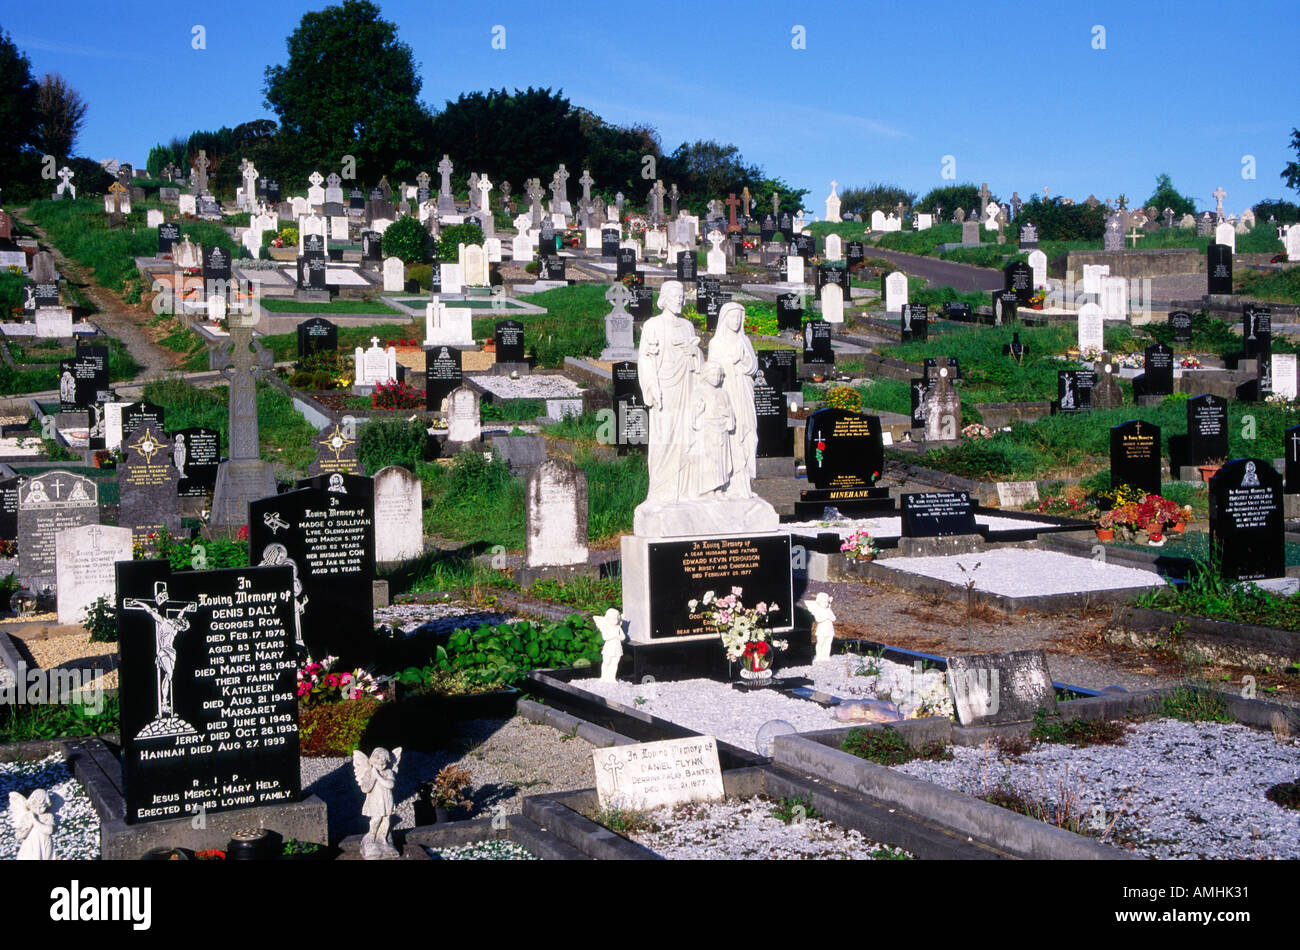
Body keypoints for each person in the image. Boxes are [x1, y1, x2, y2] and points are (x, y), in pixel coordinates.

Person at [637, 281, 701, 502]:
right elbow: (645, 359)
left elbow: (697, 359)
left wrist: (695, 353)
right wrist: (652, 386)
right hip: (664, 389)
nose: (680, 299)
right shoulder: (653, 325)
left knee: (687, 435)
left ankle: (685, 490)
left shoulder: (687, 326)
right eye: (675, 295)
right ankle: (661, 490)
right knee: (664, 436)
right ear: (664, 298)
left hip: (687, 386)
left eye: (682, 295)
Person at [707, 302, 758, 497]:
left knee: (749, 432)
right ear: (724, 318)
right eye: (733, 317)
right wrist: (731, 361)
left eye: (739, 317)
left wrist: (743, 361)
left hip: (744, 391)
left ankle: (745, 480)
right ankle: (730, 483)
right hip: (728, 392)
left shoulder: (744, 340)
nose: (736, 321)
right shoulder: (716, 343)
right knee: (732, 435)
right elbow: (712, 370)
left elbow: (753, 367)